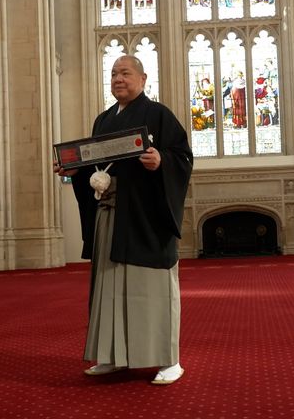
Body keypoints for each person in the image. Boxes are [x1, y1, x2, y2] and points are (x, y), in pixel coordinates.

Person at [54, 55, 193, 385]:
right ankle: (112, 356)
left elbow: (183, 158)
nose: (118, 78)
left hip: (146, 218)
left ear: (143, 79)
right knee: (109, 288)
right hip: (110, 216)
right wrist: (73, 171)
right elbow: (93, 165)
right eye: (114, 73)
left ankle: (169, 360)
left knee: (152, 289)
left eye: (125, 73)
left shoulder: (158, 114)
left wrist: (162, 161)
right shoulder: (103, 121)